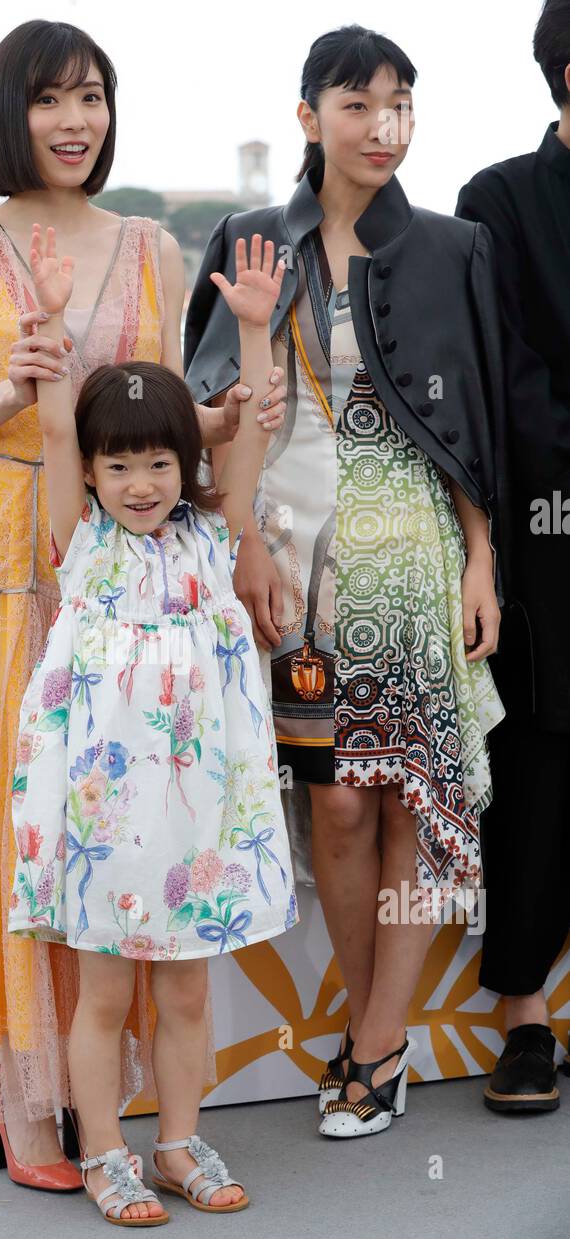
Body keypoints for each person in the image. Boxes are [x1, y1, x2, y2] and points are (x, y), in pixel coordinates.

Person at [0, 18, 285, 1190]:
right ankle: (28, 1104)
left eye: (91, 98)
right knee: (21, 829)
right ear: (7, 112)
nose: (75, 122)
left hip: (132, 563)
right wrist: (12, 384)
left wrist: (239, 427)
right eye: (49, 100)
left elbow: (165, 415)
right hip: (9, 546)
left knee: (129, 808)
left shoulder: (147, 245)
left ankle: (122, 1109)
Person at [185, 25, 509, 1137]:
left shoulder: (452, 246)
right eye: (359, 106)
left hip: (408, 546)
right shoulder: (244, 236)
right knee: (330, 798)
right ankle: (377, 1027)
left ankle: (375, 1042)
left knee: (409, 795)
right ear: (307, 114)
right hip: (282, 544)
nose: (383, 130)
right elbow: (205, 401)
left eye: (401, 107)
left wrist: (479, 555)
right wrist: (238, 529)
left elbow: (477, 420)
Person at [7, 223, 297, 1224]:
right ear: (90, 471)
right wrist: (46, 321)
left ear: (185, 463)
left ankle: (175, 1142)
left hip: (197, 810)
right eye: (118, 465)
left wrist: (255, 334)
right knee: (99, 995)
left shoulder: (214, 537)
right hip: (103, 804)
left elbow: (251, 425)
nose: (140, 484)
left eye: (159, 463)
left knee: (180, 993)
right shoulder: (80, 545)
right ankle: (103, 1153)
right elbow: (48, 432)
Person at [455, 0, 570, 1111]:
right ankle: (523, 1018)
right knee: (537, 765)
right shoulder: (495, 202)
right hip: (547, 528)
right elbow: (508, 381)